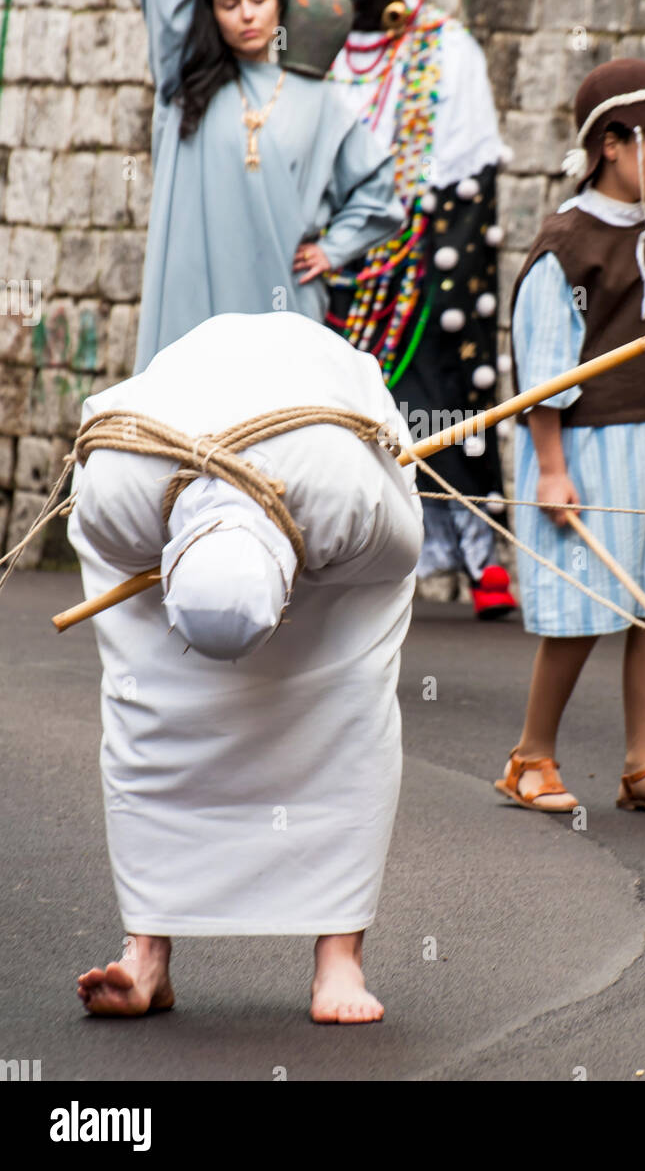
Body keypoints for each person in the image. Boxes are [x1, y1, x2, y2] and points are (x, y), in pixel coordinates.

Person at [69, 311, 423, 1022]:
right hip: (178, 434)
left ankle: (339, 959)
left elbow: (399, 553)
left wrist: (310, 589)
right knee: (148, 713)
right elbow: (103, 561)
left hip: (316, 414)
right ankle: (147, 952)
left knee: (350, 700)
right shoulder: (117, 494)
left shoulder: (348, 497)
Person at [496, 59, 645, 814]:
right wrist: (551, 470)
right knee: (585, 608)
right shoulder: (566, 246)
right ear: (609, 144)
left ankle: (640, 767)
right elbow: (542, 376)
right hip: (589, 448)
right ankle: (530, 757)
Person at [323, 0, 517, 619]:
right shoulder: (313, 38)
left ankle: (479, 550)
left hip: (417, 252)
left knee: (444, 380)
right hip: (331, 258)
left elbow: (470, 174)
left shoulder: (446, 49)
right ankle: (332, 538)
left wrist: (413, 240)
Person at [132, 0, 405, 372]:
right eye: (229, 3)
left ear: (281, 3)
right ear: (212, 13)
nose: (247, 14)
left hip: (285, 305)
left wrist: (332, 250)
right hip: (189, 314)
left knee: (279, 433)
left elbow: (379, 189)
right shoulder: (181, 84)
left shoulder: (317, 99)